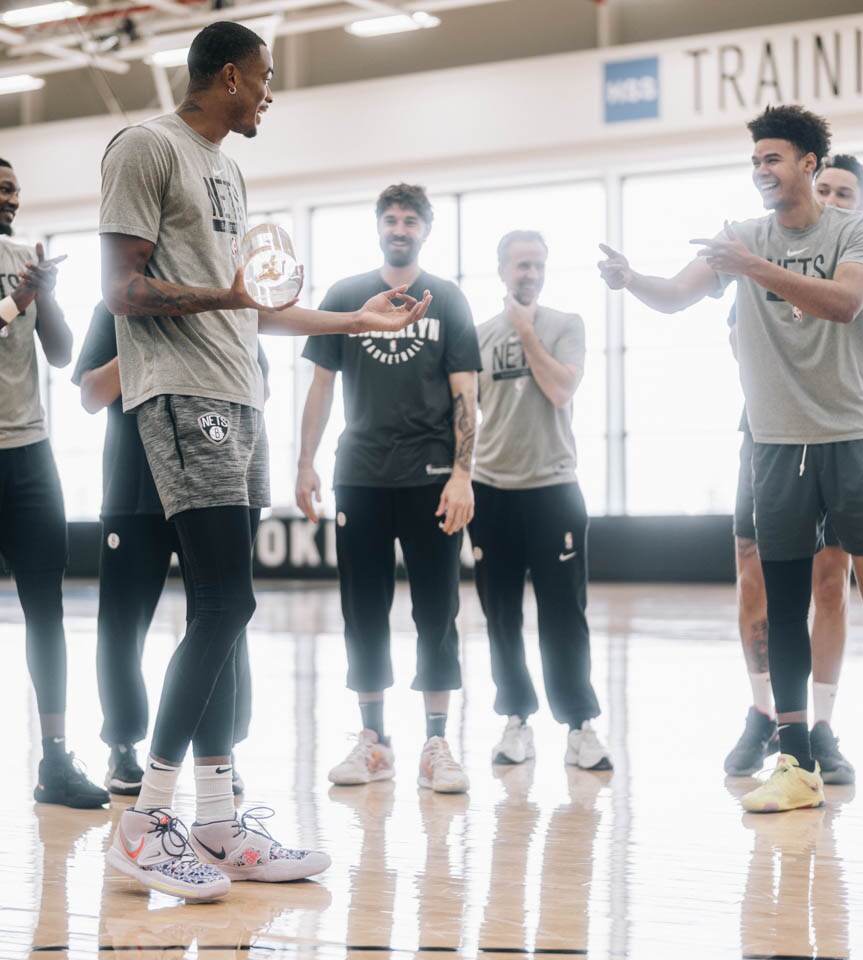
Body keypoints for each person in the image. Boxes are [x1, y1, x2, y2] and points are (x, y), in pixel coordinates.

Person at [99, 22, 433, 901]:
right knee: (226, 601)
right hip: (183, 398)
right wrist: (226, 293)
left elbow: (253, 309)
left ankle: (216, 820)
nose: (270, 93)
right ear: (229, 76)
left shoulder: (228, 169)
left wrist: (358, 321)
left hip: (241, 398)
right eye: (264, 77)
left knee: (228, 608)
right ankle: (145, 823)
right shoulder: (145, 147)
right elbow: (123, 291)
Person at [598, 104, 863, 816]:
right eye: (755, 160)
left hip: (858, 438)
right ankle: (795, 762)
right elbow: (676, 296)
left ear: (810, 164)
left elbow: (846, 303)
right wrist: (633, 280)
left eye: (773, 158)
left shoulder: (859, 231)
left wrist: (753, 267)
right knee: (784, 607)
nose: (761, 170)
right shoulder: (741, 237)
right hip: (778, 445)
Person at [725, 153, 863, 783]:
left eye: (844, 193)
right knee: (754, 576)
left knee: (831, 583)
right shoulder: (766, 251)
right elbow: (737, 338)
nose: (831, 199)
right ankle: (769, 714)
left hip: (847, 438)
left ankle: (823, 726)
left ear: (859, 207)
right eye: (825, 188)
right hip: (771, 436)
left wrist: (845, 297)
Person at [297, 183, 479, 795]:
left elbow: (465, 392)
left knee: (437, 611)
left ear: (425, 230)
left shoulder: (446, 299)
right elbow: (321, 386)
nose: (400, 228)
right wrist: (305, 463)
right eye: (392, 219)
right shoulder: (346, 297)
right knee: (364, 610)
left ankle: (436, 743)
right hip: (360, 475)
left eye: (410, 220)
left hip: (431, 478)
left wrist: (462, 473)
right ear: (379, 225)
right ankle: (373, 741)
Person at [72, 301, 271, 796]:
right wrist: (150, 343)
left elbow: (258, 385)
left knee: (224, 616)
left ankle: (219, 751)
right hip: (135, 491)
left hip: (212, 484)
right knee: (122, 626)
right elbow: (92, 395)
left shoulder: (224, 307)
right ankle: (122, 746)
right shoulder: (116, 308)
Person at [469, 230, 612, 771]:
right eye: (521, 265)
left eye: (538, 265)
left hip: (554, 488)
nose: (530, 273)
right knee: (501, 615)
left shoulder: (565, 325)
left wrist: (526, 333)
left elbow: (560, 389)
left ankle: (579, 726)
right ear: (502, 270)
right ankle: (515, 720)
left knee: (564, 615)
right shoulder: (478, 336)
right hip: (492, 490)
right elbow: (464, 413)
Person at [0, 158, 108, 810]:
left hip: (29, 454)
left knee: (47, 608)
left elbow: (63, 353)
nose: (9, 197)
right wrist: (17, 299)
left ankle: (56, 761)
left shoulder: (23, 258)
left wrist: (45, 295)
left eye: (13, 188)